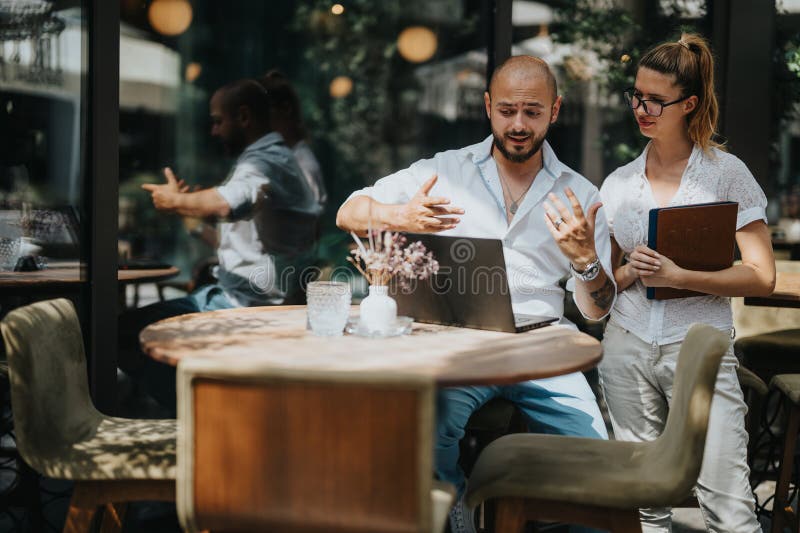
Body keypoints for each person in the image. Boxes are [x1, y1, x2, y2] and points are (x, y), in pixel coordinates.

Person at [337, 56, 615, 533]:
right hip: (461, 341)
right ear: (488, 107)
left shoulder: (581, 194)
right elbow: (348, 211)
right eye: (507, 110)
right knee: (428, 426)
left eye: (532, 111)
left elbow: (596, 309)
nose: (519, 124)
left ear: (555, 110)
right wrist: (398, 216)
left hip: (541, 342)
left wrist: (585, 259)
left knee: (591, 456)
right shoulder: (445, 171)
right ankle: (455, 506)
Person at [598, 33, 775, 532]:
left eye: (656, 100)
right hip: (626, 346)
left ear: (689, 104)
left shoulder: (726, 175)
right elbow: (606, 282)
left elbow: (762, 275)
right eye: (637, 96)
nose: (642, 108)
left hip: (698, 350)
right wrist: (626, 268)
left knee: (729, 504)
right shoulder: (617, 184)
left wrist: (682, 275)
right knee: (642, 506)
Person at [118, 78, 317, 411]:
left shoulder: (265, 160)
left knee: (117, 335)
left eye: (217, 121)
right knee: (123, 333)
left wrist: (174, 202)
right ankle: (201, 412)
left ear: (243, 117)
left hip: (245, 307)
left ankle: (206, 416)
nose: (213, 131)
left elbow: (229, 202)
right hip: (233, 295)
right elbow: (239, 217)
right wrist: (190, 203)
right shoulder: (270, 157)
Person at [260, 69, 326, 213]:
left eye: (262, 112)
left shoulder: (303, 166)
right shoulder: (274, 159)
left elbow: (308, 227)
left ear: (285, 109)